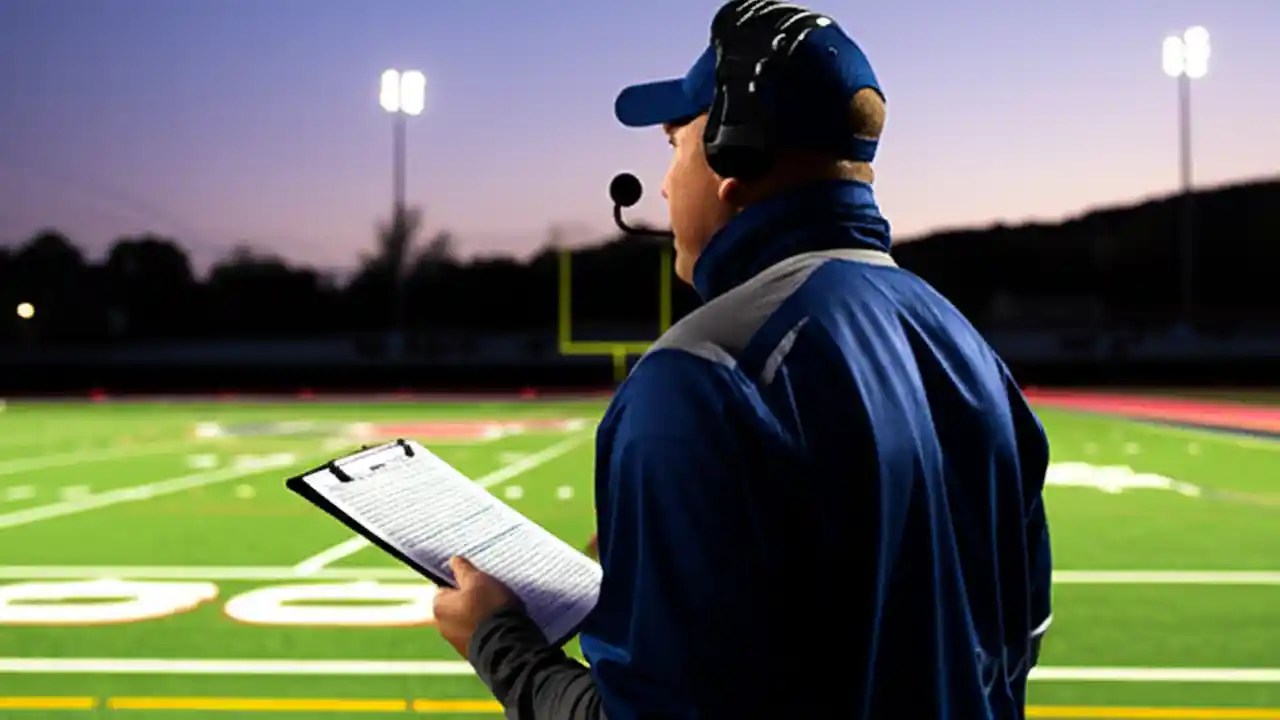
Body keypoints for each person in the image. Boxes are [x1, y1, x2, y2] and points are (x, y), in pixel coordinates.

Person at [432, 1, 1053, 718]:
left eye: (674, 144)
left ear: (734, 153)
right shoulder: (968, 349)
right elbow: (1009, 643)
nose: (664, 184)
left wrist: (498, 640)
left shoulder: (700, 378)